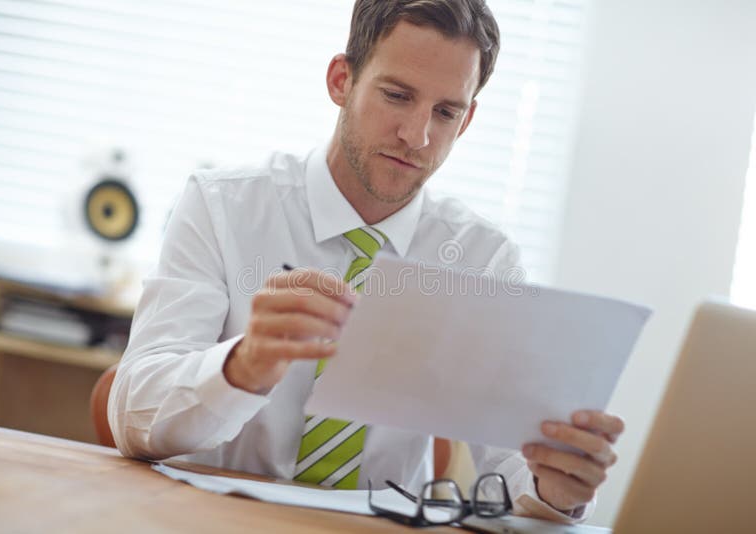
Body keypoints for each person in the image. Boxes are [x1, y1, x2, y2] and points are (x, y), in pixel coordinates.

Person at [109, 0, 624, 523]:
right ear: (341, 80)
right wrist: (242, 366)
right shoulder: (221, 206)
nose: (417, 136)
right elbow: (131, 414)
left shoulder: (483, 259)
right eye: (397, 96)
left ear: (466, 120)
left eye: (445, 112)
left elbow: (514, 462)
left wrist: (557, 489)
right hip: (215, 519)